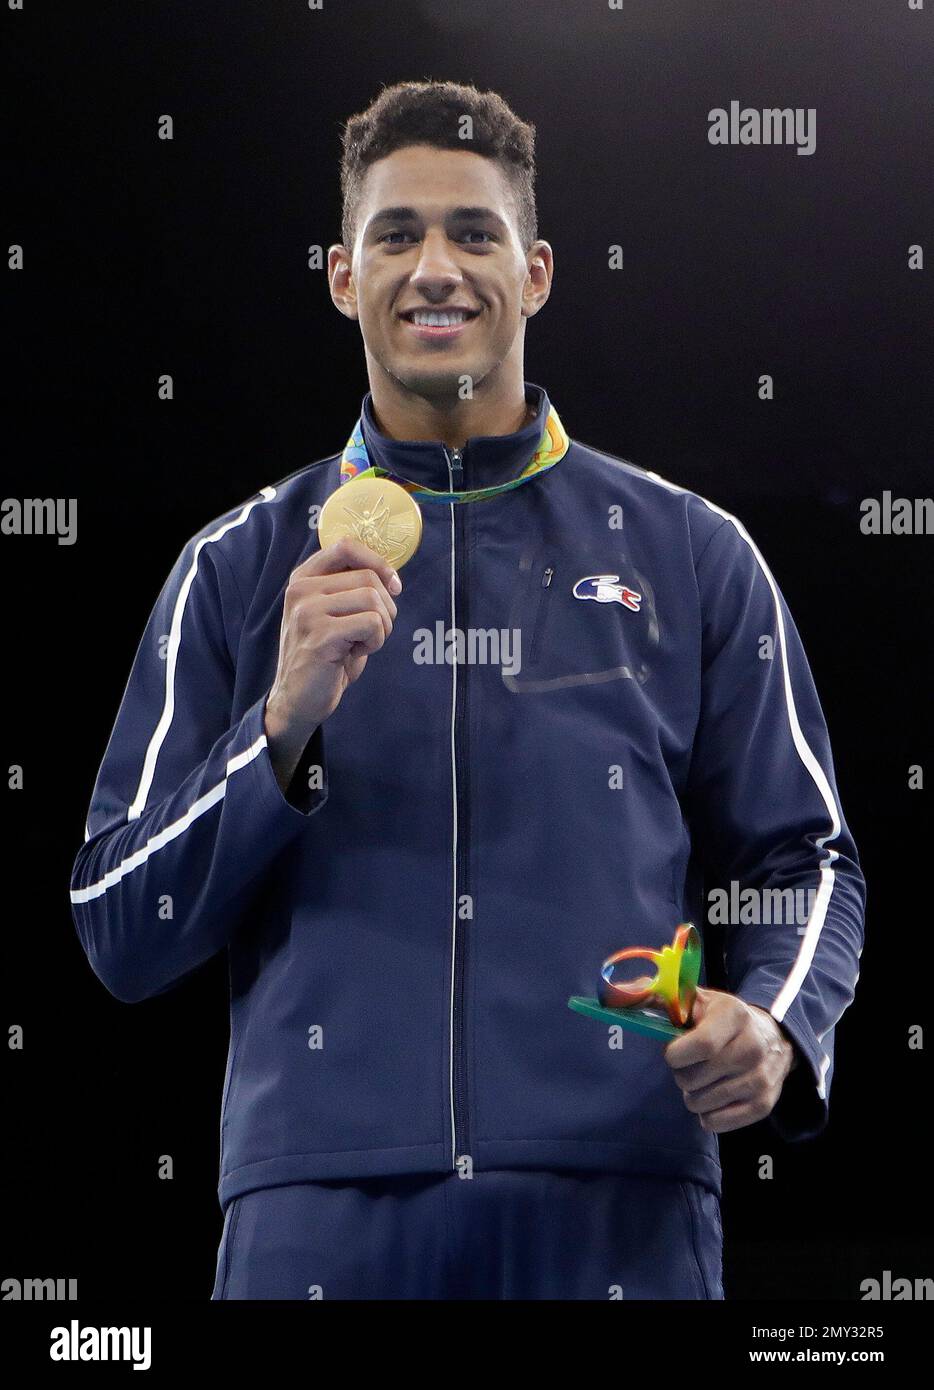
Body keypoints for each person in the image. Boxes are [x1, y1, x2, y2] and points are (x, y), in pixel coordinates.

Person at [69, 79, 866, 1300]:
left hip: (619, 1210)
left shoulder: (691, 551)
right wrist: (278, 730)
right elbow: (121, 928)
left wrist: (774, 1021)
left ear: (535, 272)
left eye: (472, 232)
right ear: (344, 277)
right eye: (396, 235)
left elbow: (805, 860)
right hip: (314, 1216)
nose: (434, 267)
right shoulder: (235, 566)